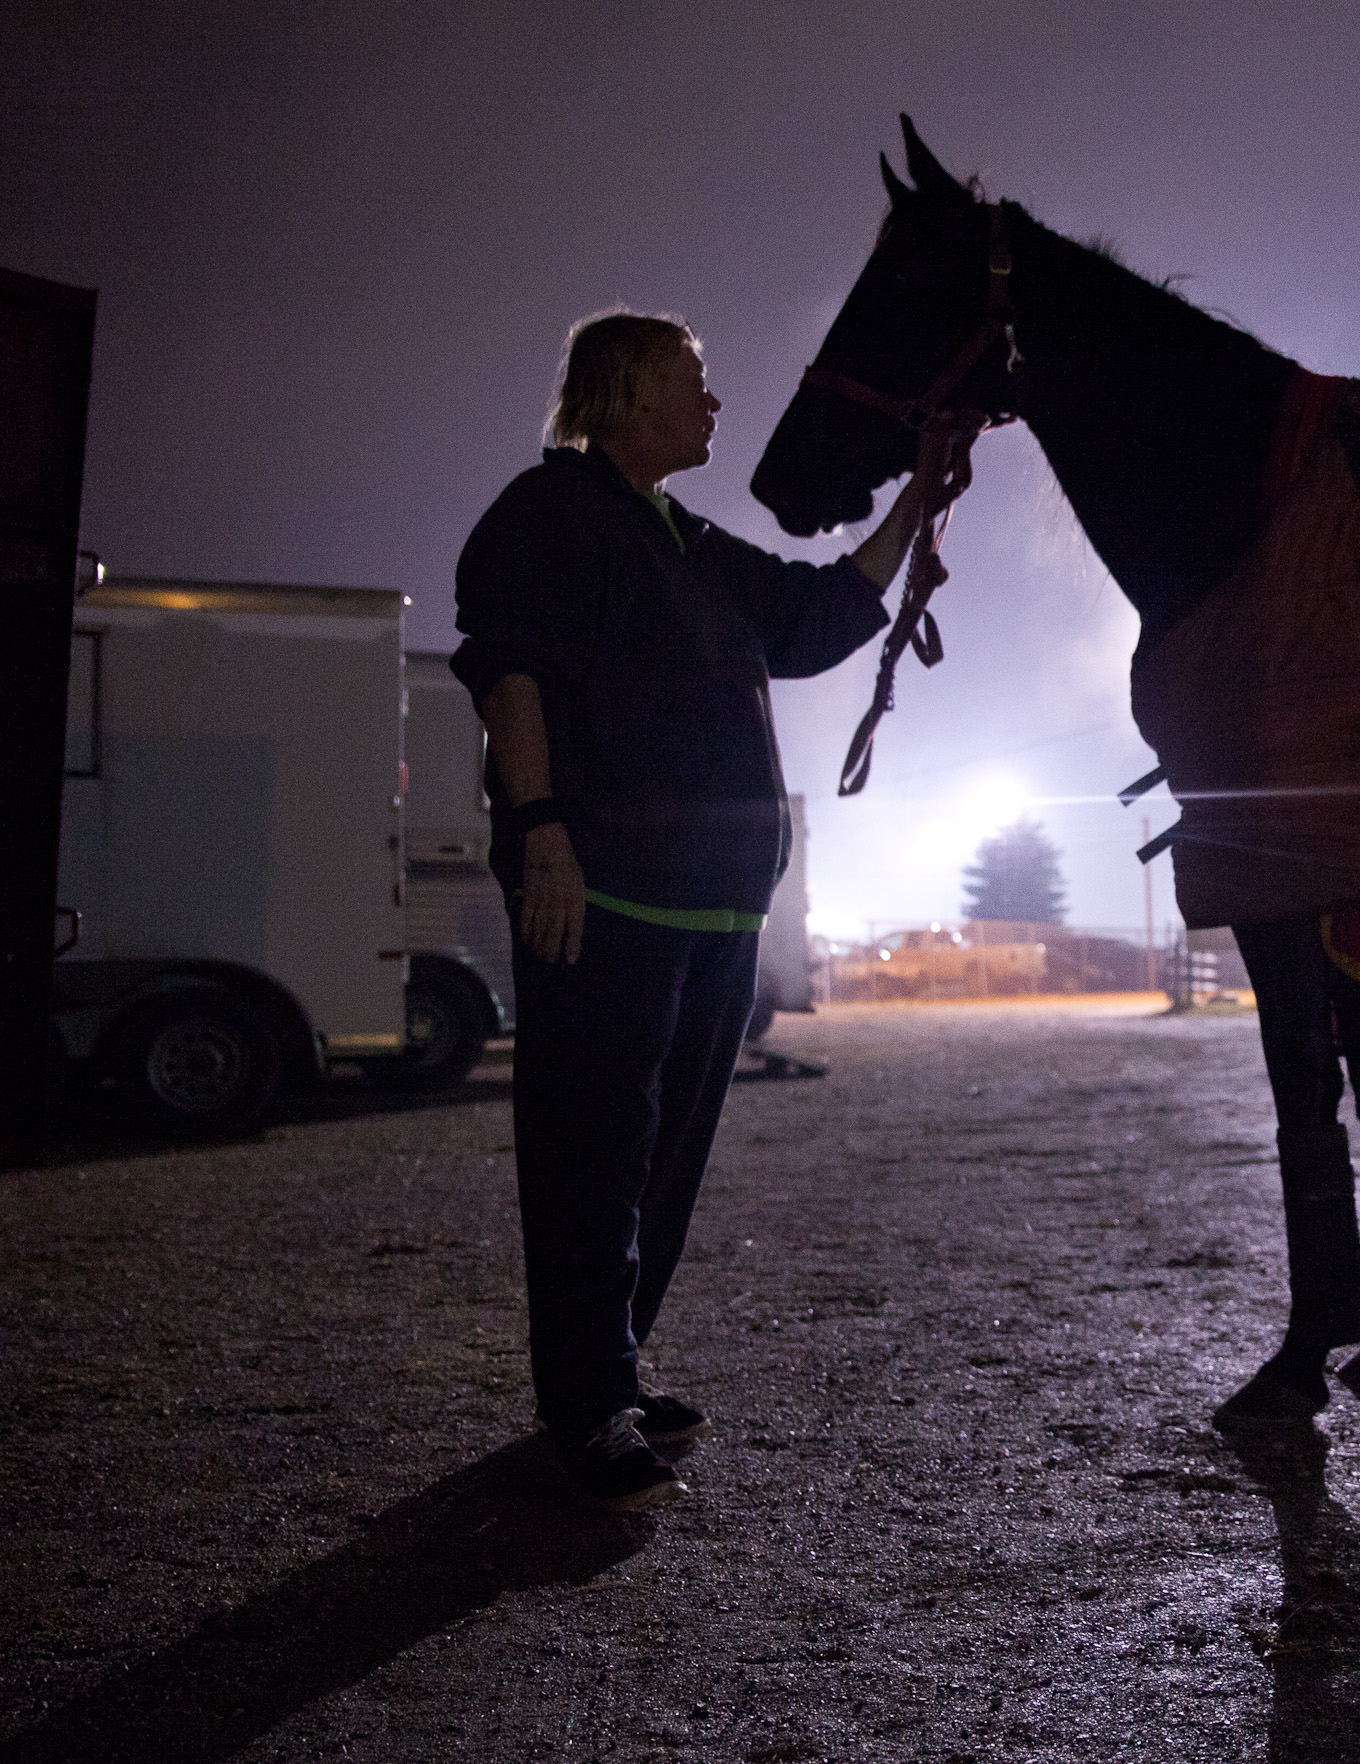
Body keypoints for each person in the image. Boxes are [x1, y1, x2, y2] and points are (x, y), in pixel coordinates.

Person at [453, 310, 917, 1509]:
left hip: (716, 914)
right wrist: (541, 830)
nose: (713, 404)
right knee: (592, 1153)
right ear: (623, 391)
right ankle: (586, 1404)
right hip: (607, 893)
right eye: (692, 382)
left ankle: (611, 1370)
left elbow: (814, 617)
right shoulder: (547, 515)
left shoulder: (685, 539)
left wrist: (920, 504)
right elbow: (512, 677)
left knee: (662, 1158)